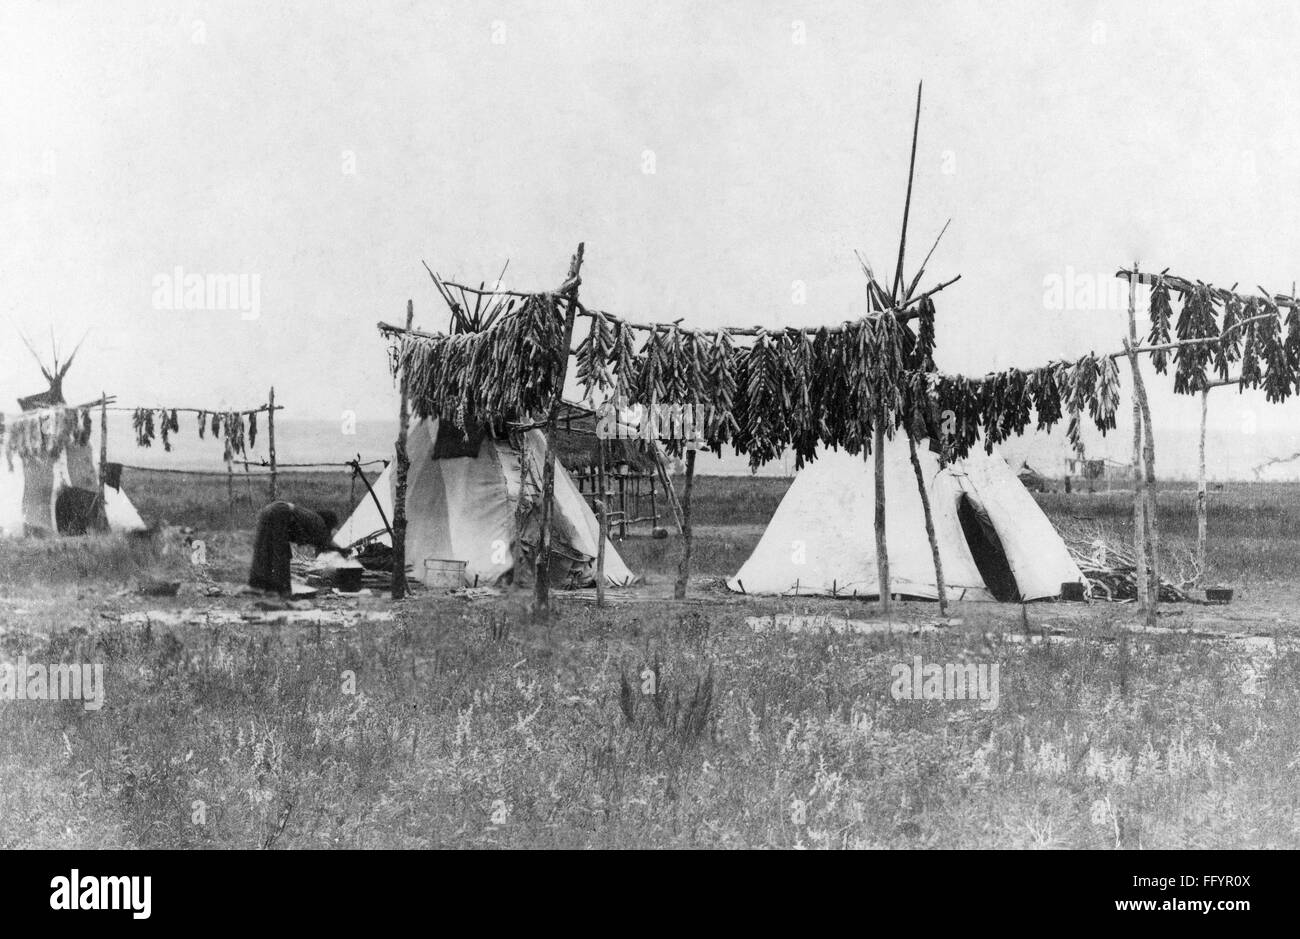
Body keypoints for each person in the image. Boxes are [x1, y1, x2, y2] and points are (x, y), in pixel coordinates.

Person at [248, 501, 346, 595]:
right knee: (281, 553)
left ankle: (258, 585)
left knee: (264, 550)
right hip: (281, 513)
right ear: (329, 523)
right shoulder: (319, 523)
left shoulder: (311, 518)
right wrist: (341, 550)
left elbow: (322, 543)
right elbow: (324, 544)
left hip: (269, 510)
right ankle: (281, 590)